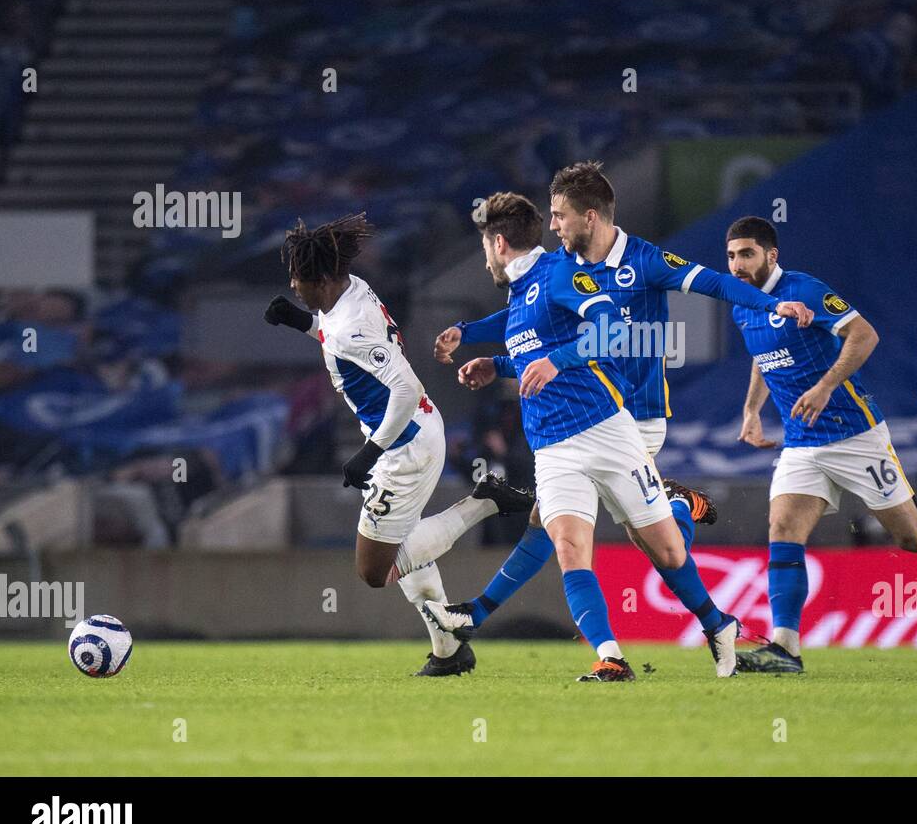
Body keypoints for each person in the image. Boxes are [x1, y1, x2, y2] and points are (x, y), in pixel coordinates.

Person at [424, 161, 811, 651]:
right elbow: (528, 323)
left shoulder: (643, 261)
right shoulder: (566, 268)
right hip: (585, 415)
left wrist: (770, 304)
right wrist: (475, 337)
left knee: (645, 542)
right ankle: (481, 614)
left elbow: (712, 283)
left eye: (561, 215)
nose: (554, 225)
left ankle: (680, 523)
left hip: (634, 418)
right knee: (554, 525)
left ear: (591, 216)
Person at [262, 213, 533, 676]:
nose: (295, 285)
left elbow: (404, 389)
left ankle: (484, 502)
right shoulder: (349, 292)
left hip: (403, 447)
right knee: (406, 547)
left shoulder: (349, 323)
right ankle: (449, 653)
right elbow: (344, 342)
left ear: (324, 278)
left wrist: (368, 455)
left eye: (299, 281)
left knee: (376, 571)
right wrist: (302, 322)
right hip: (411, 435)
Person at [727, 216, 917, 673]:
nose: (737, 264)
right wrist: (752, 410)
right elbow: (764, 358)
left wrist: (826, 386)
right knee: (783, 528)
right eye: (732, 255)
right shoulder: (743, 305)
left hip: (854, 433)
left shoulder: (806, 290)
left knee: (916, 540)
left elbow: (864, 334)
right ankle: (785, 647)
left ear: (771, 255)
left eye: (747, 254)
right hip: (801, 442)